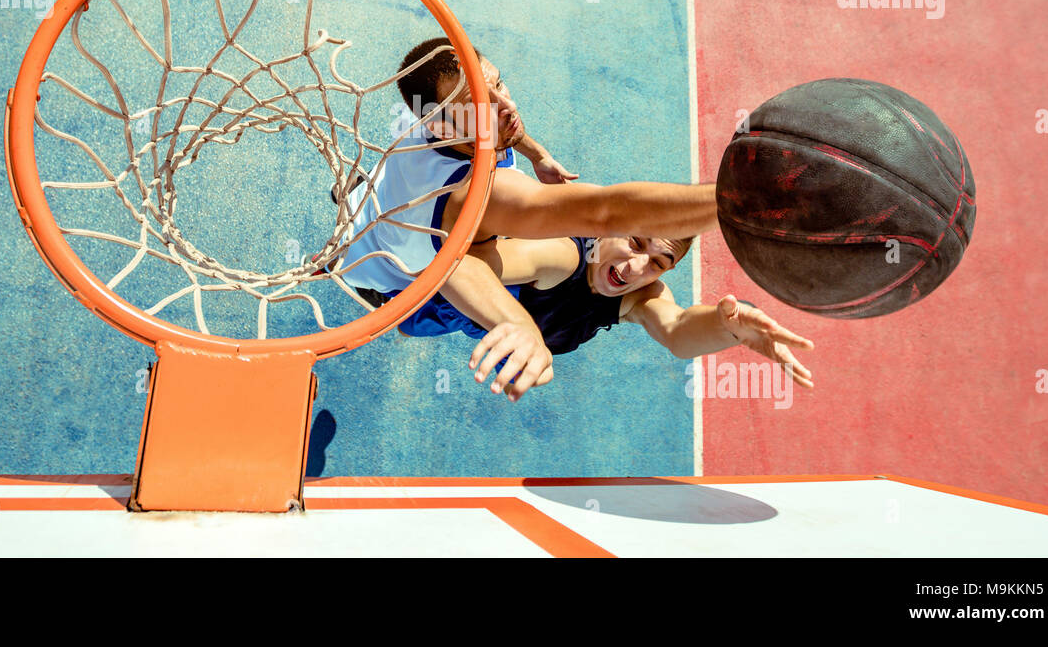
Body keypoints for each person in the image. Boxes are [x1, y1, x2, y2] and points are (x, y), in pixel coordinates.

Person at [338, 38, 724, 402]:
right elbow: (603, 212)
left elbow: (503, 121)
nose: (505, 105)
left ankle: (351, 196)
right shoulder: (477, 196)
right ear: (439, 126)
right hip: (371, 266)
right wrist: (732, 203)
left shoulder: (448, 125)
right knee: (417, 313)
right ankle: (351, 236)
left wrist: (536, 153)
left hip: (382, 196)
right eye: (478, 103)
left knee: (384, 209)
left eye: (500, 84)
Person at [404, 234, 815, 392]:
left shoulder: (641, 293)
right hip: (424, 287)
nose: (637, 267)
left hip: (470, 321)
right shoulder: (562, 255)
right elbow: (454, 265)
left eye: (658, 262)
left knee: (411, 327)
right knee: (391, 306)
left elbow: (677, 331)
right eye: (636, 242)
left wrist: (731, 329)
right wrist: (524, 329)